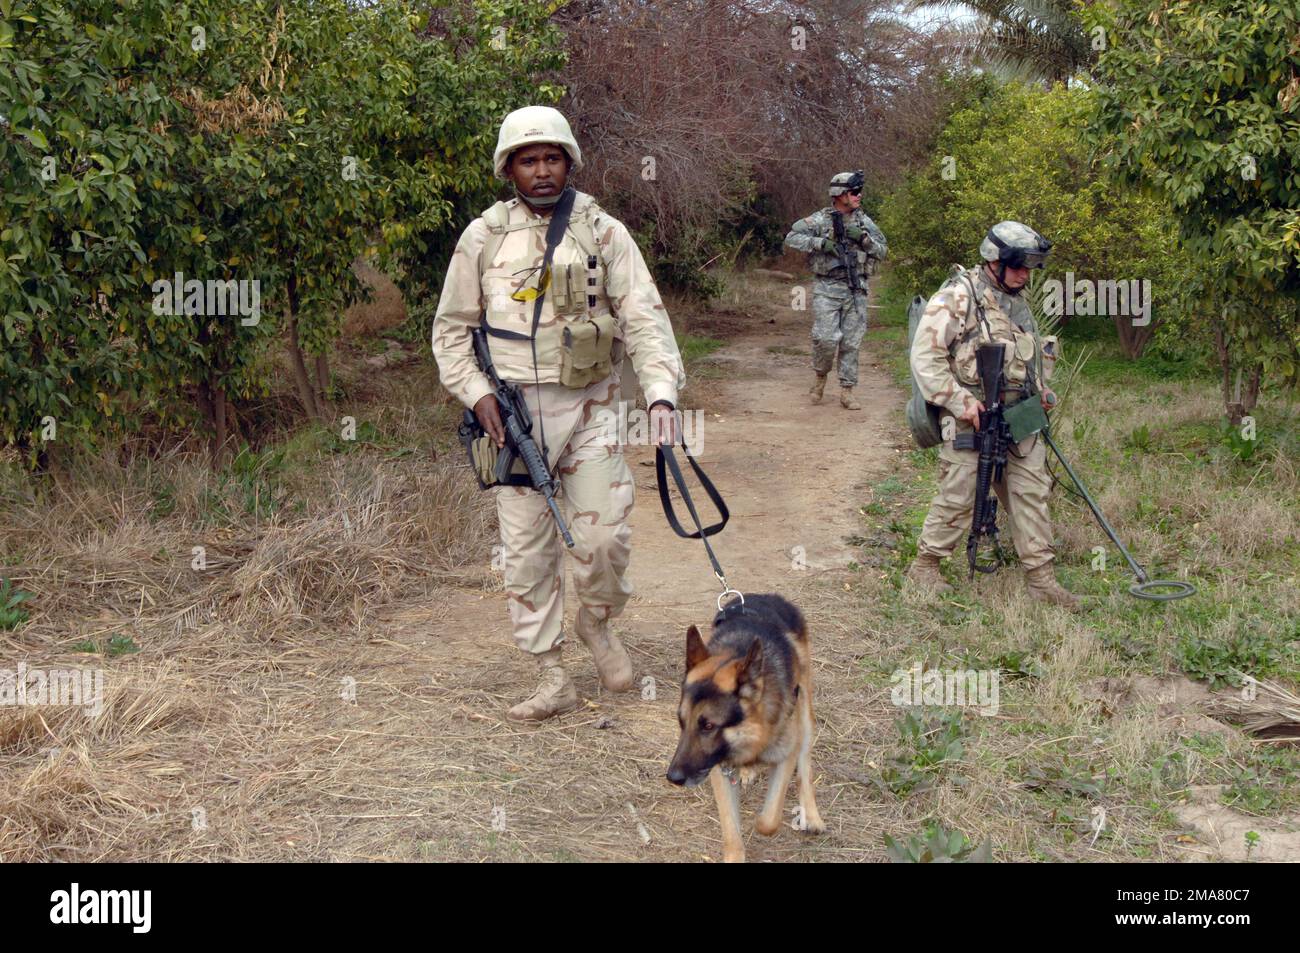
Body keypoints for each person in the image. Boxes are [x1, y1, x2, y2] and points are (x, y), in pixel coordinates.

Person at [432, 106, 686, 720]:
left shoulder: (602, 232)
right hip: (512, 418)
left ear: (568, 161)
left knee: (602, 539)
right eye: (528, 160)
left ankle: (596, 623)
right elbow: (450, 331)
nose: (541, 171)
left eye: (551, 158)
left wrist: (659, 393)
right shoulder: (483, 237)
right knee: (525, 554)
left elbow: (644, 317)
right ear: (509, 169)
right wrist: (477, 394)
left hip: (591, 408)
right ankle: (550, 673)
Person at [905, 221, 1079, 608]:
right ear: (994, 261)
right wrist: (960, 401)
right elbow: (926, 358)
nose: (1024, 274)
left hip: (1019, 414)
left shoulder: (1018, 300)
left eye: (1030, 267)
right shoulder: (958, 296)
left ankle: (1042, 580)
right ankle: (925, 566)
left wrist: (1041, 389)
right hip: (972, 413)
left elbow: (1026, 353)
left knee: (1031, 490)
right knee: (960, 490)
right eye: (1017, 265)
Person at [783, 171, 887, 409]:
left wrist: (864, 239)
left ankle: (847, 391)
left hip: (855, 289)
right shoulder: (821, 219)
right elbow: (792, 236)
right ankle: (820, 377)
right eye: (854, 192)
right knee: (825, 338)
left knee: (852, 342)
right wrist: (820, 243)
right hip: (827, 288)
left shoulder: (864, 222)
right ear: (839, 195)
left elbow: (883, 250)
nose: (858, 196)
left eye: (859, 192)